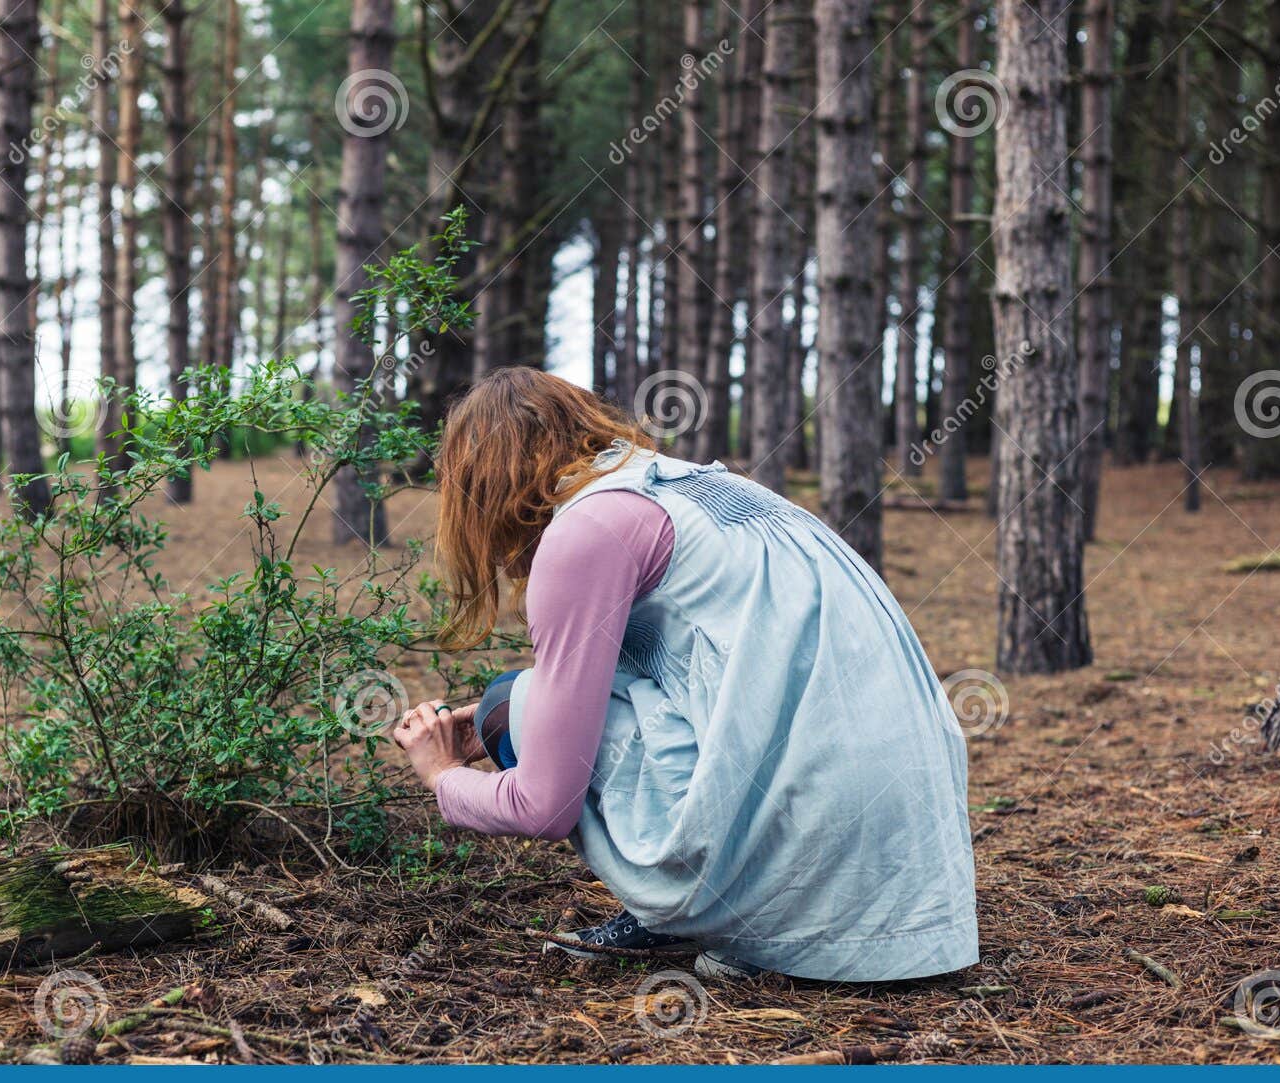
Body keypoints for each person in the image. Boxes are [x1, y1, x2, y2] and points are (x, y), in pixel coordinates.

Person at [392, 367, 977, 981]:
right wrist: (496, 729)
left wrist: (442, 775)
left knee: (512, 700)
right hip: (915, 883)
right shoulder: (693, 488)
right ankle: (737, 918)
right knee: (508, 711)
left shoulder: (585, 530)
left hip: (811, 843)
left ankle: (721, 923)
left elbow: (545, 806)